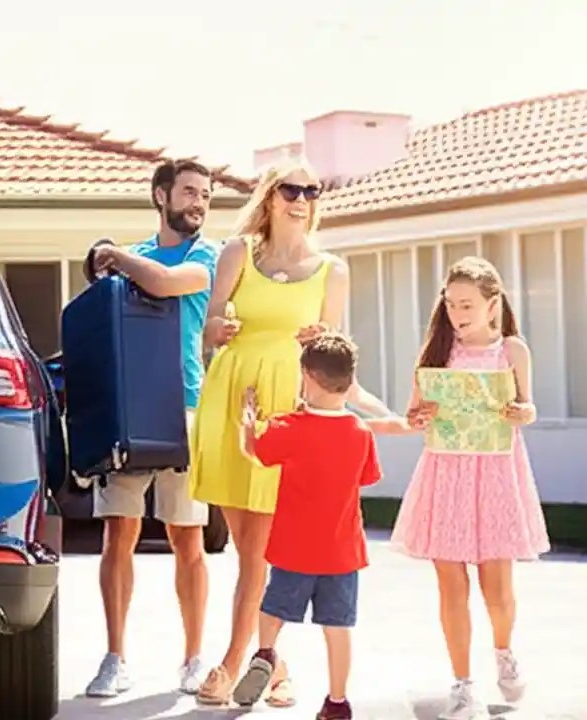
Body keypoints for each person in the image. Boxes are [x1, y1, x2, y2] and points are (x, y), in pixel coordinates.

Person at [186, 157, 396, 708]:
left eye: (311, 190)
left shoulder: (334, 269)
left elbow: (332, 353)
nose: (301, 198)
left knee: (262, 551)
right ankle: (274, 667)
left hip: (291, 407)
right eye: (290, 189)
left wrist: (371, 402)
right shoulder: (237, 253)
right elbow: (207, 327)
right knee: (245, 549)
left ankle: (237, 663)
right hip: (235, 404)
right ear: (270, 196)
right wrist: (219, 328)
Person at [81, 159, 219, 698]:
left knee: (189, 538)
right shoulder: (134, 256)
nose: (199, 203)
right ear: (161, 195)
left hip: (184, 407)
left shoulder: (206, 255)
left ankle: (193, 658)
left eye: (205, 195)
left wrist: (113, 256)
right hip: (127, 410)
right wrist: (118, 259)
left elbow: (163, 284)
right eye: (189, 192)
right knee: (120, 533)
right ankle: (115, 658)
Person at [390, 256, 550, 720]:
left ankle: (504, 651)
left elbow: (529, 407)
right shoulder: (437, 353)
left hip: (498, 472)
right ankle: (462, 685)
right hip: (446, 473)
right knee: (450, 582)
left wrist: (524, 412)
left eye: (467, 305)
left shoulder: (513, 350)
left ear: (492, 303)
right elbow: (413, 414)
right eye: (451, 305)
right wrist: (419, 416)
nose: (458, 314)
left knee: (496, 586)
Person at [232, 333, 409, 719]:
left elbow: (255, 454)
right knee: (338, 627)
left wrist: (248, 422)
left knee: (273, 608)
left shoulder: (288, 427)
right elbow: (366, 477)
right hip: (342, 554)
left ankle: (265, 652)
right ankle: (338, 702)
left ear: (307, 377)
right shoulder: (360, 432)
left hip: (293, 549)